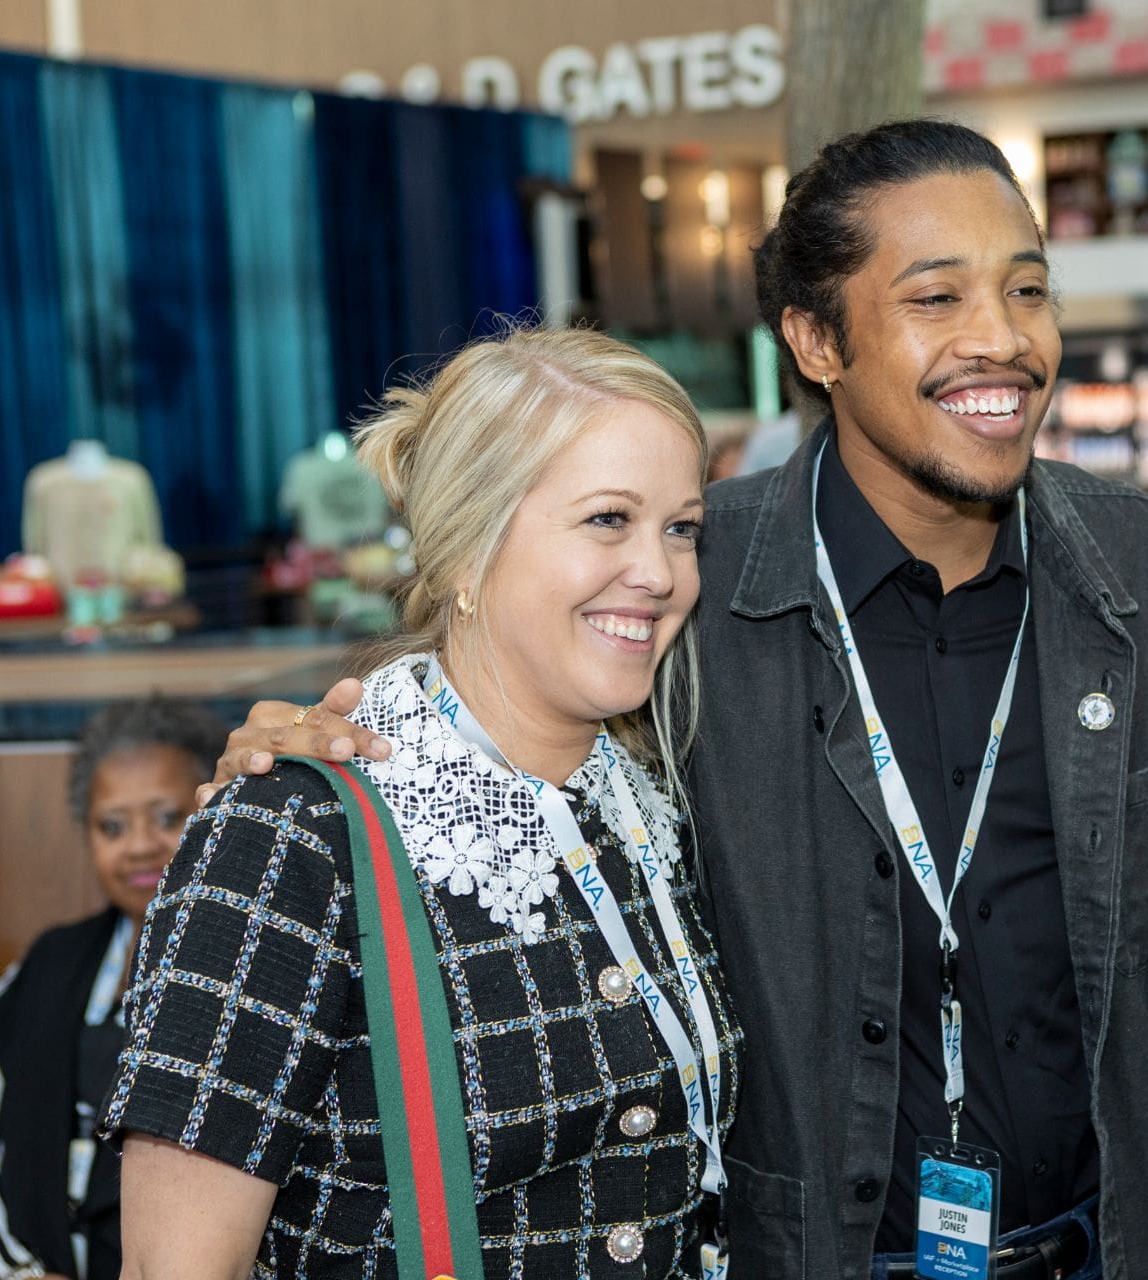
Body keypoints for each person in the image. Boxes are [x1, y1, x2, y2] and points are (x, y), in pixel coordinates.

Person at [198, 119, 1148, 1280]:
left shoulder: (1144, 566)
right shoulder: (693, 582)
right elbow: (507, 701)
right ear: (816, 342)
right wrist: (329, 736)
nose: (1002, 341)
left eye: (1028, 288)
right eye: (935, 299)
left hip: (1112, 1246)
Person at [103, 327, 740, 1279]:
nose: (658, 572)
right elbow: (175, 1267)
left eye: (680, 527)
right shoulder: (288, 830)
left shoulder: (644, 798)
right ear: (464, 557)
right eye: (609, 519)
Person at [0, 696, 223, 1280]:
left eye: (167, 817)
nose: (139, 845)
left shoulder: (246, 967)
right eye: (112, 826)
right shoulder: (46, 963)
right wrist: (17, 1272)